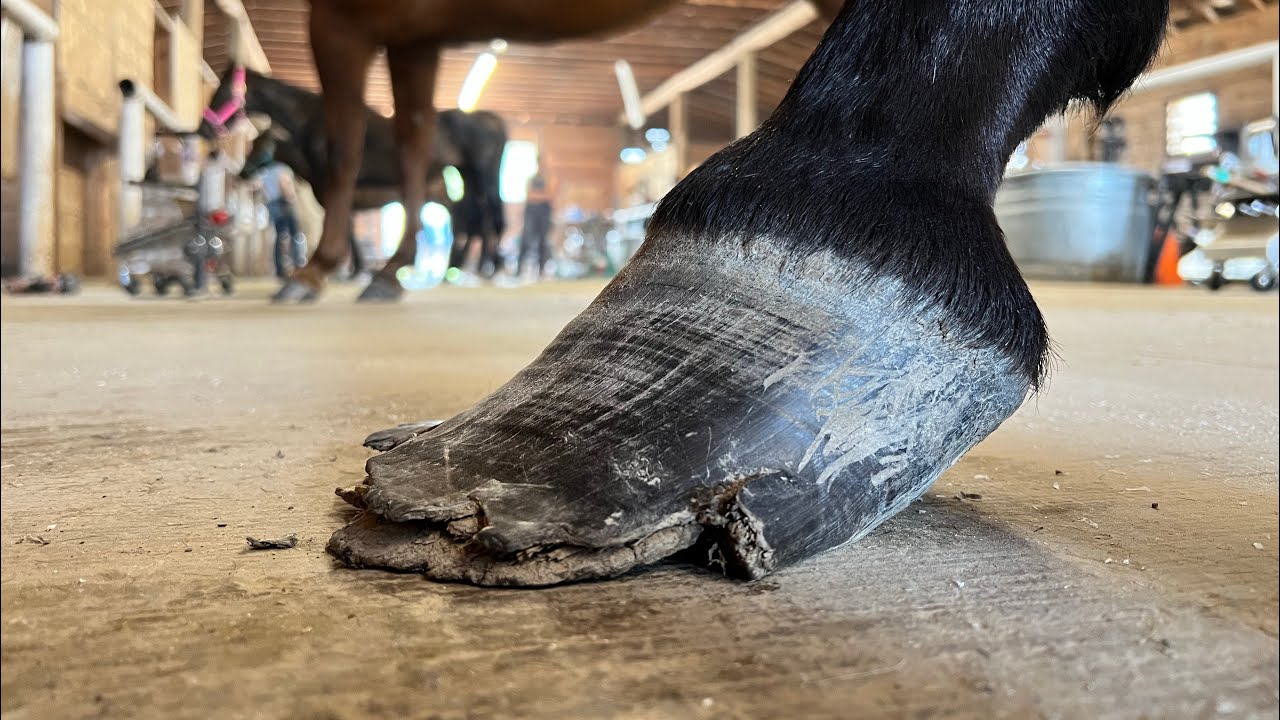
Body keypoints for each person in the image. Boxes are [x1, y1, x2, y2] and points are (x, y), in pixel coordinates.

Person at [258, 162, 306, 278]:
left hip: (271, 202)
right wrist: (291, 196)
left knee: (280, 236)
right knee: (295, 234)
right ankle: (298, 264)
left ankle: (279, 268)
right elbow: (283, 182)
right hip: (283, 202)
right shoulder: (283, 167)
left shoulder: (267, 168)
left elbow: (260, 185)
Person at [518, 156, 556, 279]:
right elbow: (529, 195)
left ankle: (540, 271)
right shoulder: (531, 179)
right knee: (526, 240)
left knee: (543, 242)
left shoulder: (550, 179)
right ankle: (519, 270)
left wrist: (537, 196)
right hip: (531, 213)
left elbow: (550, 196)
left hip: (544, 214)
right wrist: (542, 195)